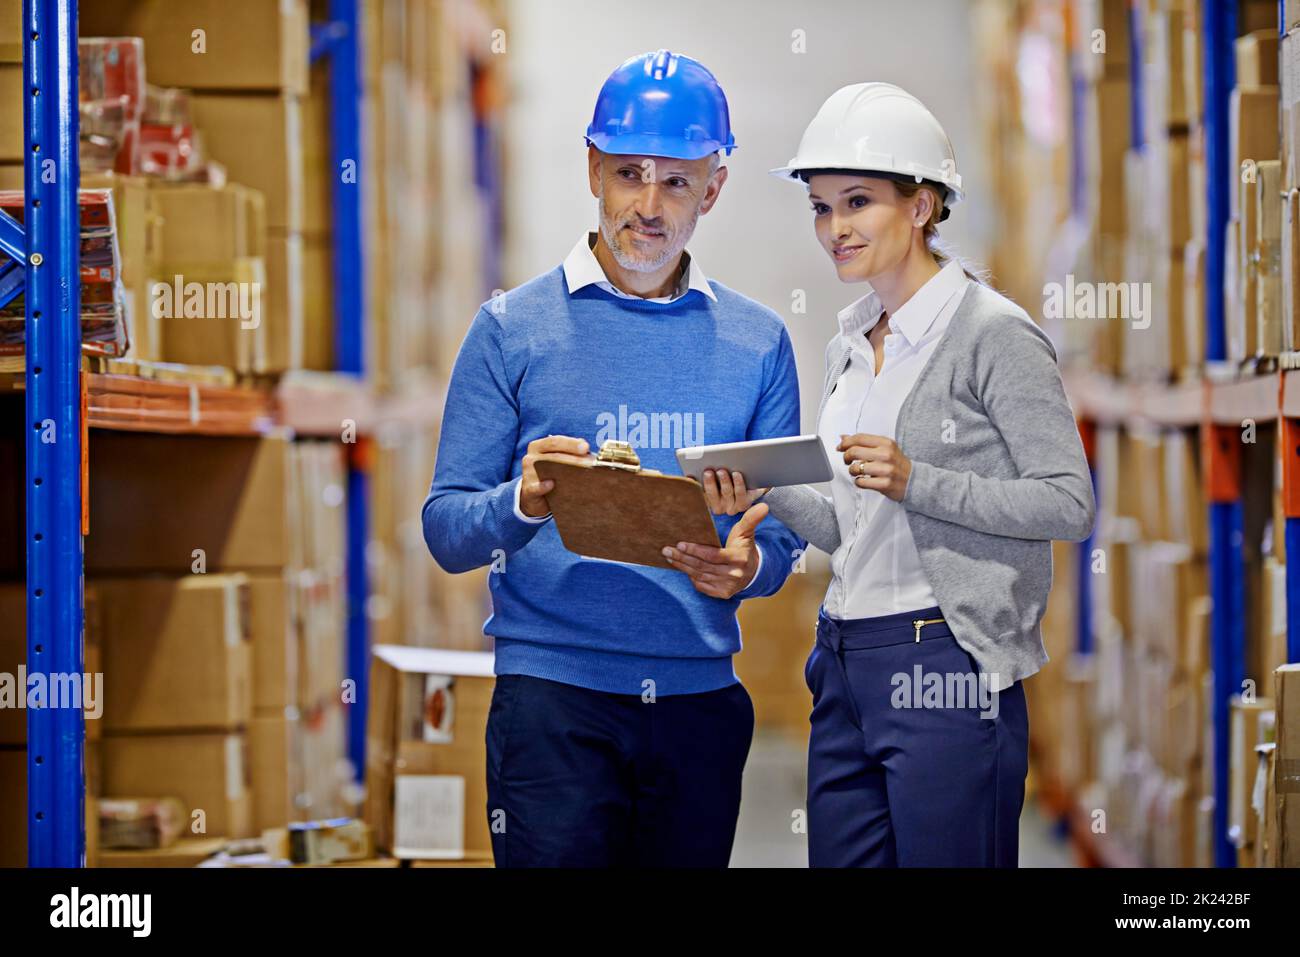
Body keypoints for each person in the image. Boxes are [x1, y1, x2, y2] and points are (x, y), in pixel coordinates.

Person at [696, 82, 1096, 867]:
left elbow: (1069, 501)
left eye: (857, 202)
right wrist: (765, 486)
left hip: (947, 662)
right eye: (820, 206)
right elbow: (853, 525)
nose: (834, 228)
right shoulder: (849, 344)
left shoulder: (994, 335)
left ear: (921, 206)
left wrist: (919, 479)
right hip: (846, 659)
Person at [422, 50, 805, 867]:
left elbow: (781, 536)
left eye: (676, 180)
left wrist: (750, 568)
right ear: (593, 169)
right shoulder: (508, 329)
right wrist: (521, 503)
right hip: (554, 704)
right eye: (629, 172)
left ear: (715, 186)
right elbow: (447, 528)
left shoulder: (759, 343)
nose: (649, 203)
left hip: (698, 705)